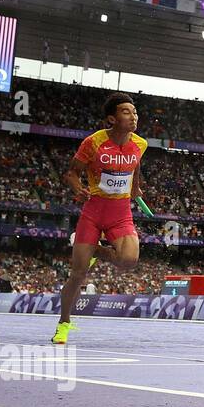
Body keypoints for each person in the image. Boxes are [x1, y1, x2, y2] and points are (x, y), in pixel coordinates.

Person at [53, 93, 148, 344]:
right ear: (111, 118)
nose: (133, 116)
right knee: (77, 274)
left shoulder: (140, 143)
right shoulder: (94, 142)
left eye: (135, 111)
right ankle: (64, 323)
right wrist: (77, 188)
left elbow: (135, 164)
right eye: (127, 112)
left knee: (129, 260)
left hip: (121, 213)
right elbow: (72, 173)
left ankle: (96, 251)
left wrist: (136, 186)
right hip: (94, 212)